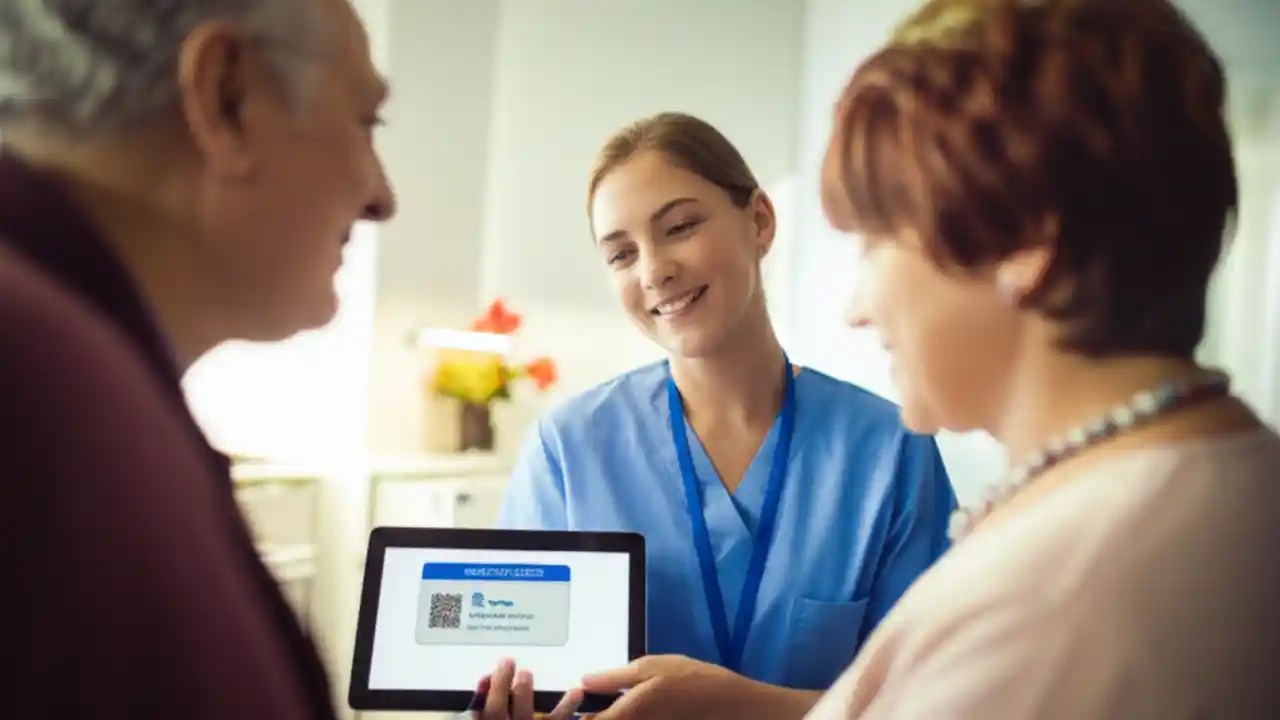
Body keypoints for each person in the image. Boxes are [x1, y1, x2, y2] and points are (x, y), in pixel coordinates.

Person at [802, 0, 1280, 717]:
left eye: (876, 243)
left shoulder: (1053, 600)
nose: (857, 308)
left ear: (1026, 242)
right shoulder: (1227, 477)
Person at [482, 112, 957, 720]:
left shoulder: (888, 449)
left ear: (760, 221)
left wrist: (739, 705)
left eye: (680, 227)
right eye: (621, 254)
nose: (654, 270)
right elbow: (514, 668)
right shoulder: (569, 448)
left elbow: (938, 698)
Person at [0, 0, 394, 715]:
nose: (382, 198)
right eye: (366, 122)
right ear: (227, 97)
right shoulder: (44, 393)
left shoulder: (83, 369)